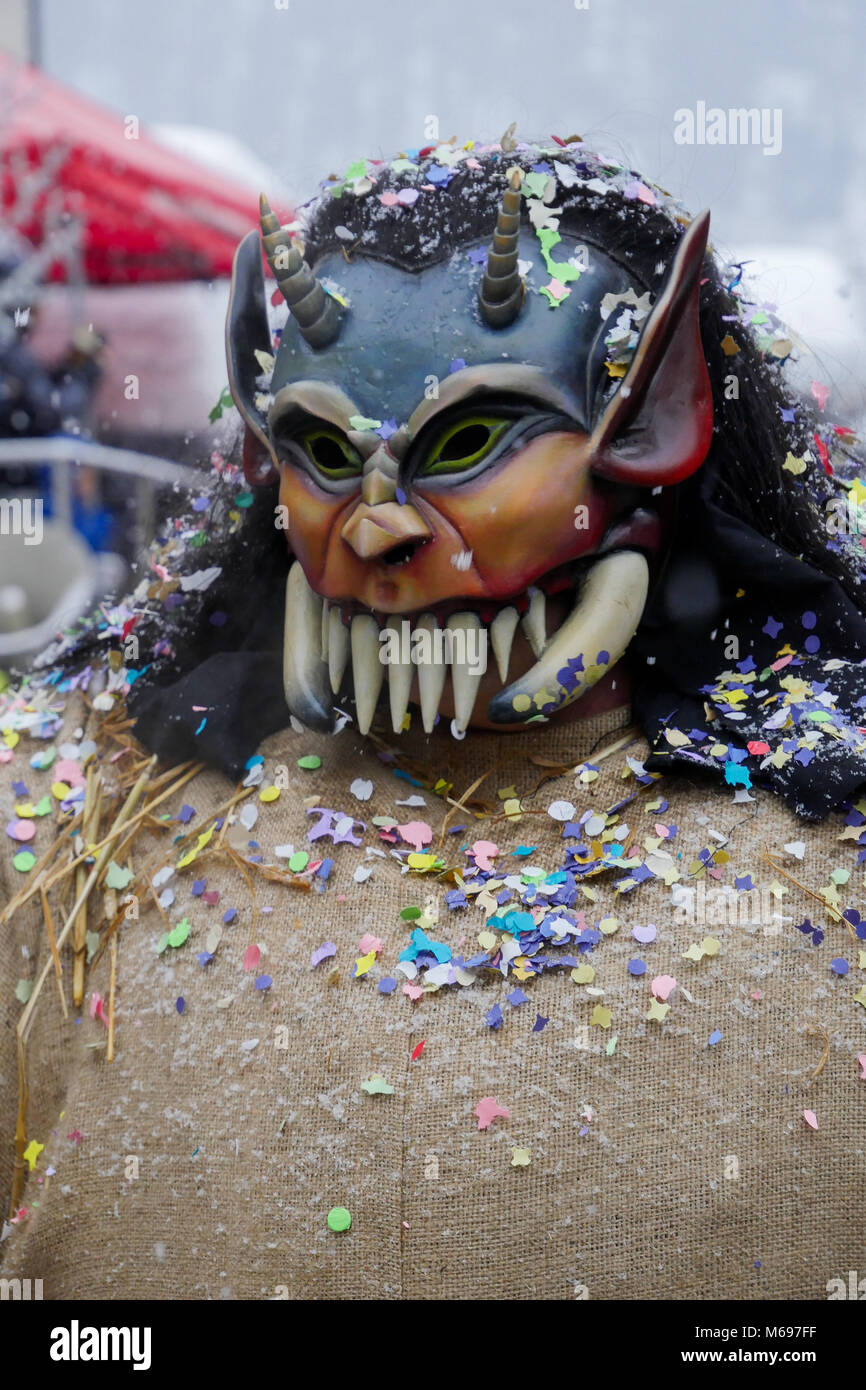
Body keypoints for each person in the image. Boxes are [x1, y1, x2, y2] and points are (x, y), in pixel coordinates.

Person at [1, 134, 864, 1302]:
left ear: (655, 419)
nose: (374, 533)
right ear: (265, 457)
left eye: (467, 442)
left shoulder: (827, 862)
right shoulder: (62, 829)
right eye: (321, 451)